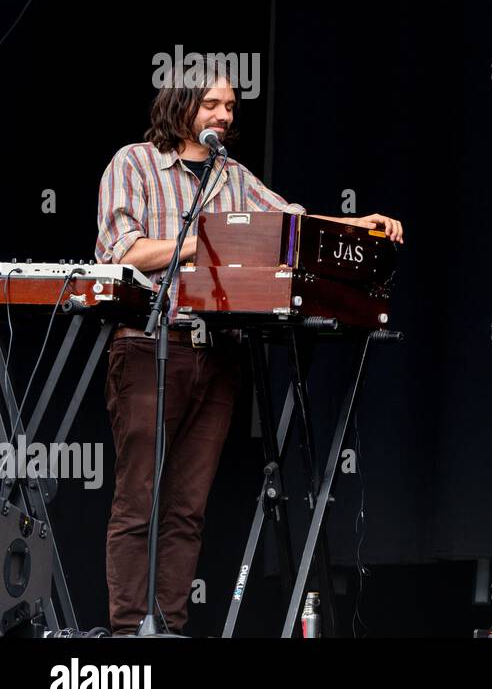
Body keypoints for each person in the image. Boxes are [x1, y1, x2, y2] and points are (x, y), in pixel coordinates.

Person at [94, 55, 403, 634]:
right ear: (180, 103)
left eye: (231, 106)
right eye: (211, 104)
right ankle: (129, 633)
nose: (224, 115)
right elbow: (123, 251)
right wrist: (208, 240)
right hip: (149, 346)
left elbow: (291, 224)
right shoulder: (133, 162)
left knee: (187, 508)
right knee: (139, 501)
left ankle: (170, 630)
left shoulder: (231, 175)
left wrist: (359, 225)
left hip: (218, 353)